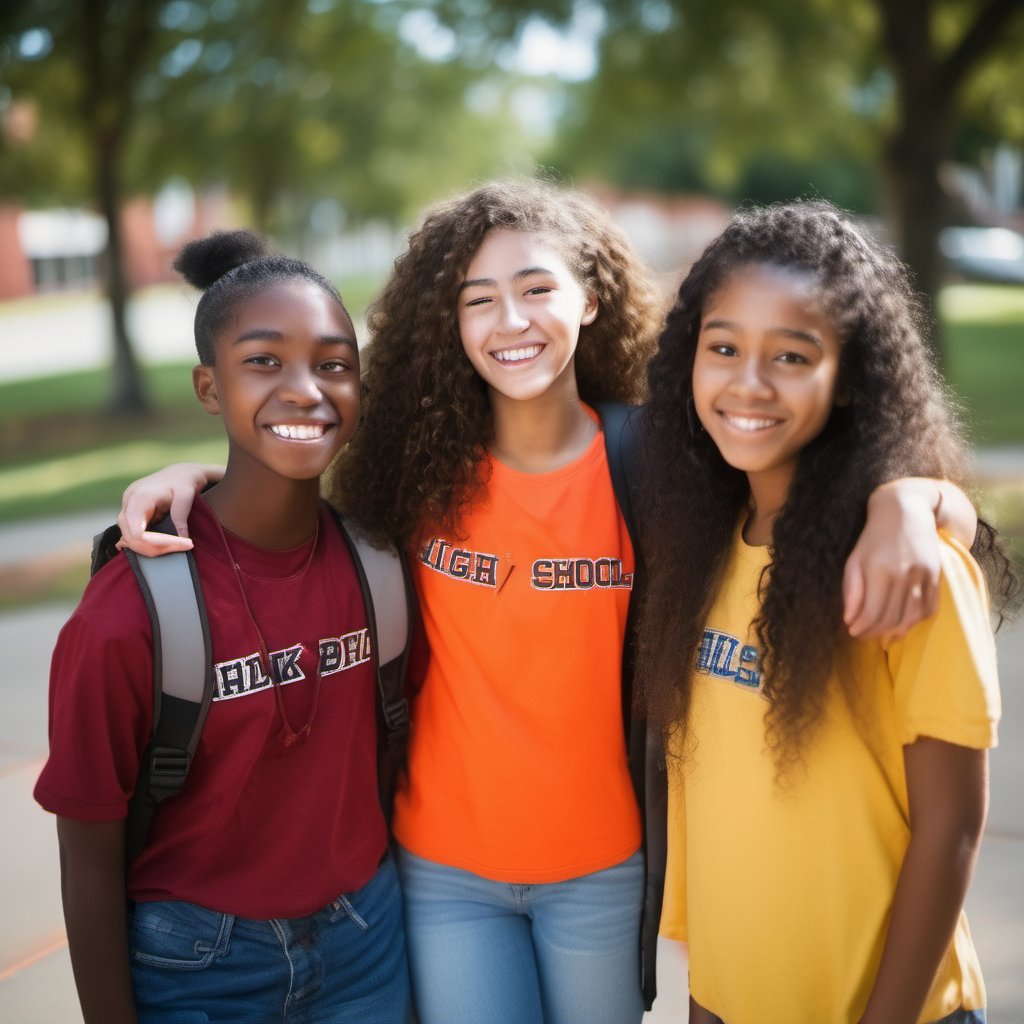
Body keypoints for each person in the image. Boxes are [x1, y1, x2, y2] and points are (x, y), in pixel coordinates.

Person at [115, 180, 979, 1024]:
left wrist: (917, 498)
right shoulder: (410, 473)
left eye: (536, 288)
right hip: (444, 870)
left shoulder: (659, 466)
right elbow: (291, 463)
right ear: (448, 322)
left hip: (602, 870)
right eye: (477, 298)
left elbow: (803, 476)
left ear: (591, 299)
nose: (511, 320)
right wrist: (193, 478)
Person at [639, 200, 1019, 1024]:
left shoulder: (909, 567)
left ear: (849, 381)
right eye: (725, 347)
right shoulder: (699, 553)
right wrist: (709, 1001)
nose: (748, 381)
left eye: (792, 356)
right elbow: (717, 812)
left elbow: (952, 826)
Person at [34, 230, 410, 1024]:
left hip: (366, 942)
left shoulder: (380, 568)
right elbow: (88, 858)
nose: (307, 389)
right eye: (264, 361)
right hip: (198, 963)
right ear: (210, 388)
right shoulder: (127, 613)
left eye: (335, 364)